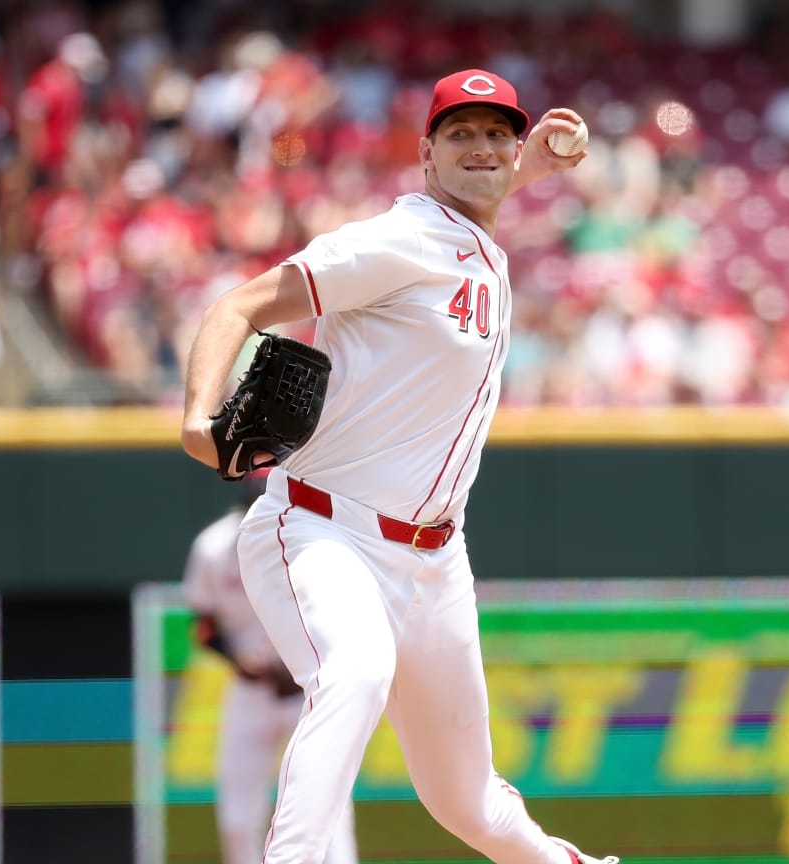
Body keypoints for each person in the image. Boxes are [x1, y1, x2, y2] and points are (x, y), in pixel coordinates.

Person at [180, 68, 618, 864]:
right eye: (460, 134)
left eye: (496, 134)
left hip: (433, 561)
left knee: (470, 802)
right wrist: (194, 418)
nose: (481, 149)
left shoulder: (470, 230)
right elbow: (236, 306)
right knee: (355, 670)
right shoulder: (396, 238)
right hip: (322, 529)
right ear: (425, 154)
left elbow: (482, 188)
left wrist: (536, 166)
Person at [182, 467, 360, 864]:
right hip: (250, 693)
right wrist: (237, 660)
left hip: (309, 693)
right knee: (237, 819)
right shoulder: (214, 546)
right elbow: (204, 625)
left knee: (327, 811)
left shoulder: (318, 544)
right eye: (257, 495)